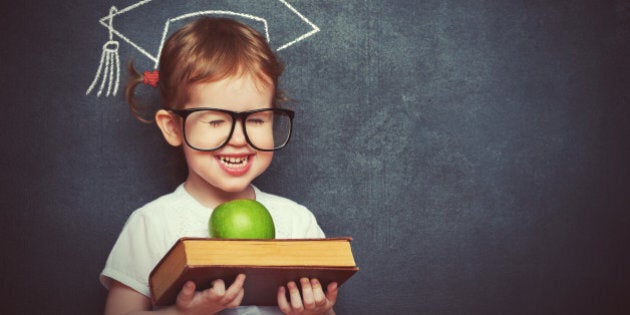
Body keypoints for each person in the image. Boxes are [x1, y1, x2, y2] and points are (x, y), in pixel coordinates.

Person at [100, 17, 338, 315]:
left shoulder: (297, 222)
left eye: (255, 119)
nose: (239, 139)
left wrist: (316, 312)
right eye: (215, 121)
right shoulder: (151, 224)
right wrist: (184, 313)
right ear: (173, 127)